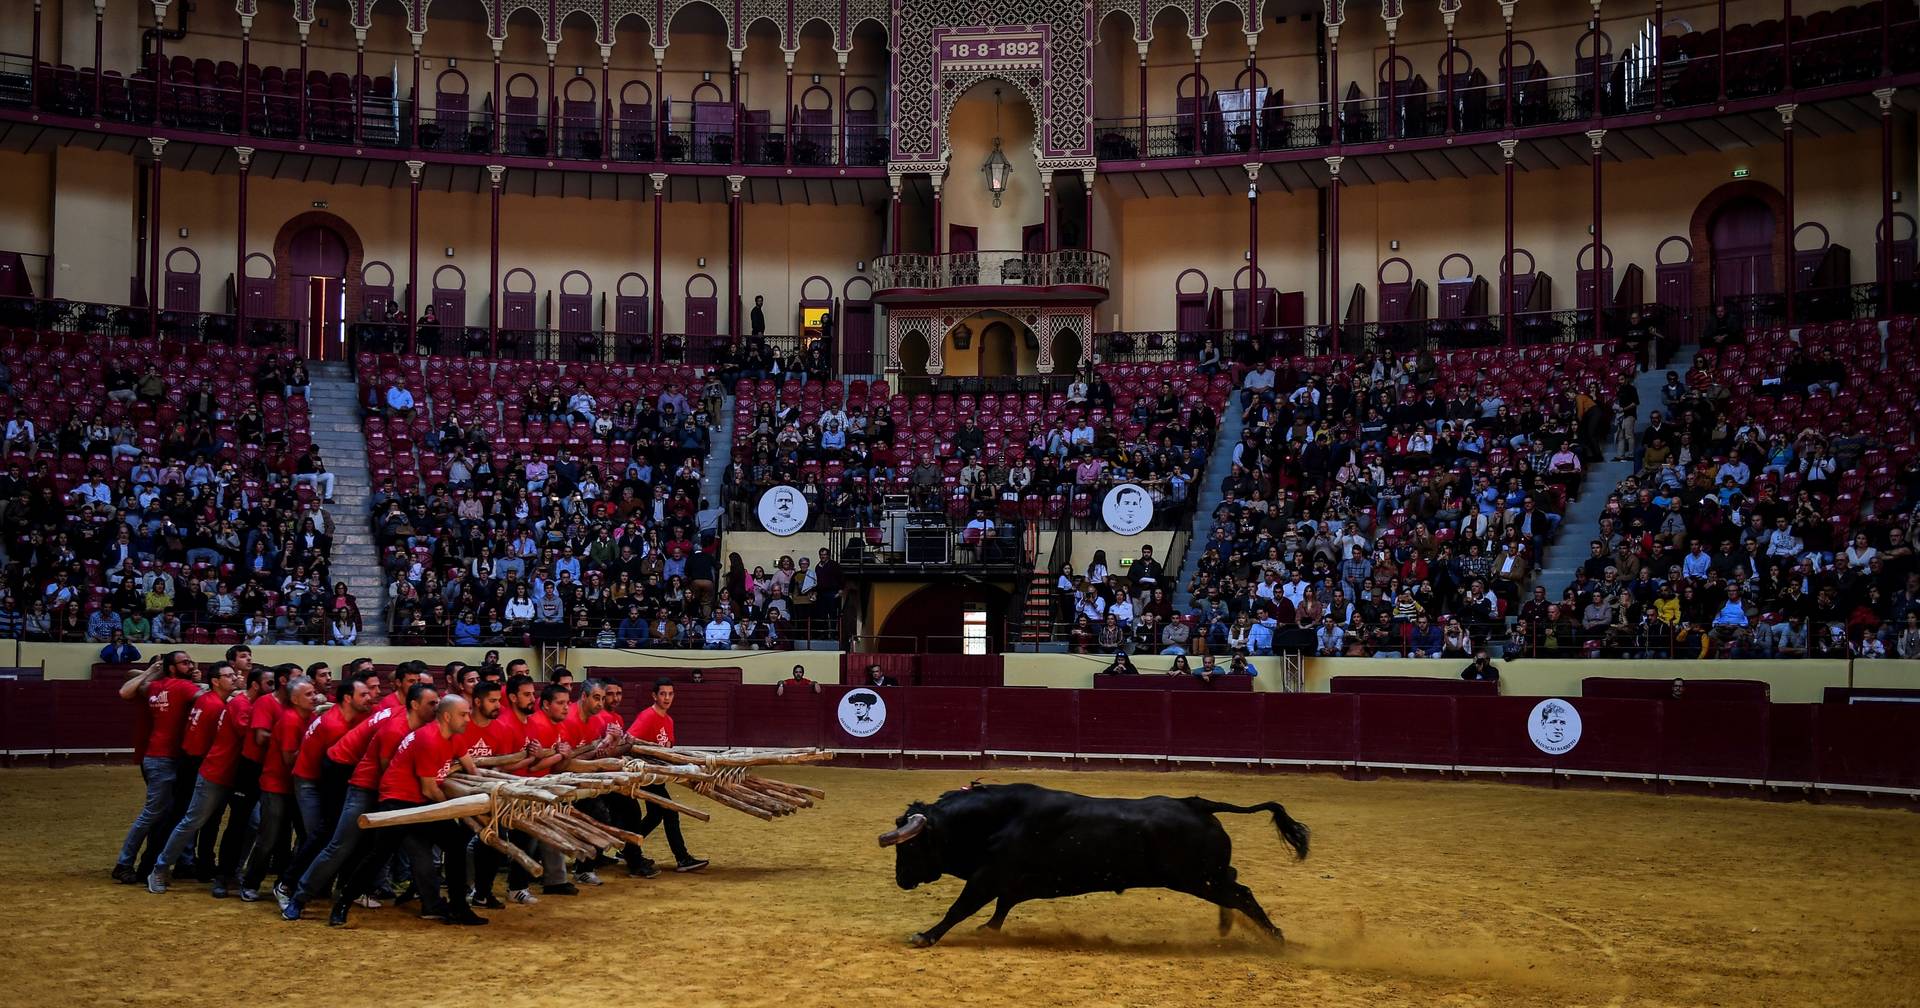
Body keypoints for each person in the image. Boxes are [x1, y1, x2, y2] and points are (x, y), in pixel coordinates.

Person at [113, 652, 201, 884]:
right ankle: (126, 862)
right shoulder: (163, 685)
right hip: (161, 757)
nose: (190, 665)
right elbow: (127, 686)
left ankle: (168, 861)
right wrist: (153, 670)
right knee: (157, 813)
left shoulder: (158, 687)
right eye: (185, 662)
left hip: (164, 756)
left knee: (168, 812)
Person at [628, 679, 709, 872]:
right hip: (646, 774)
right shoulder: (647, 716)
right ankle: (682, 858)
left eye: (670, 694)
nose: (667, 698)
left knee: (656, 815)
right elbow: (629, 740)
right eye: (663, 694)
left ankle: (627, 847)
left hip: (657, 774)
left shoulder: (668, 720)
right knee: (670, 812)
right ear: (654, 696)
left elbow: (668, 749)